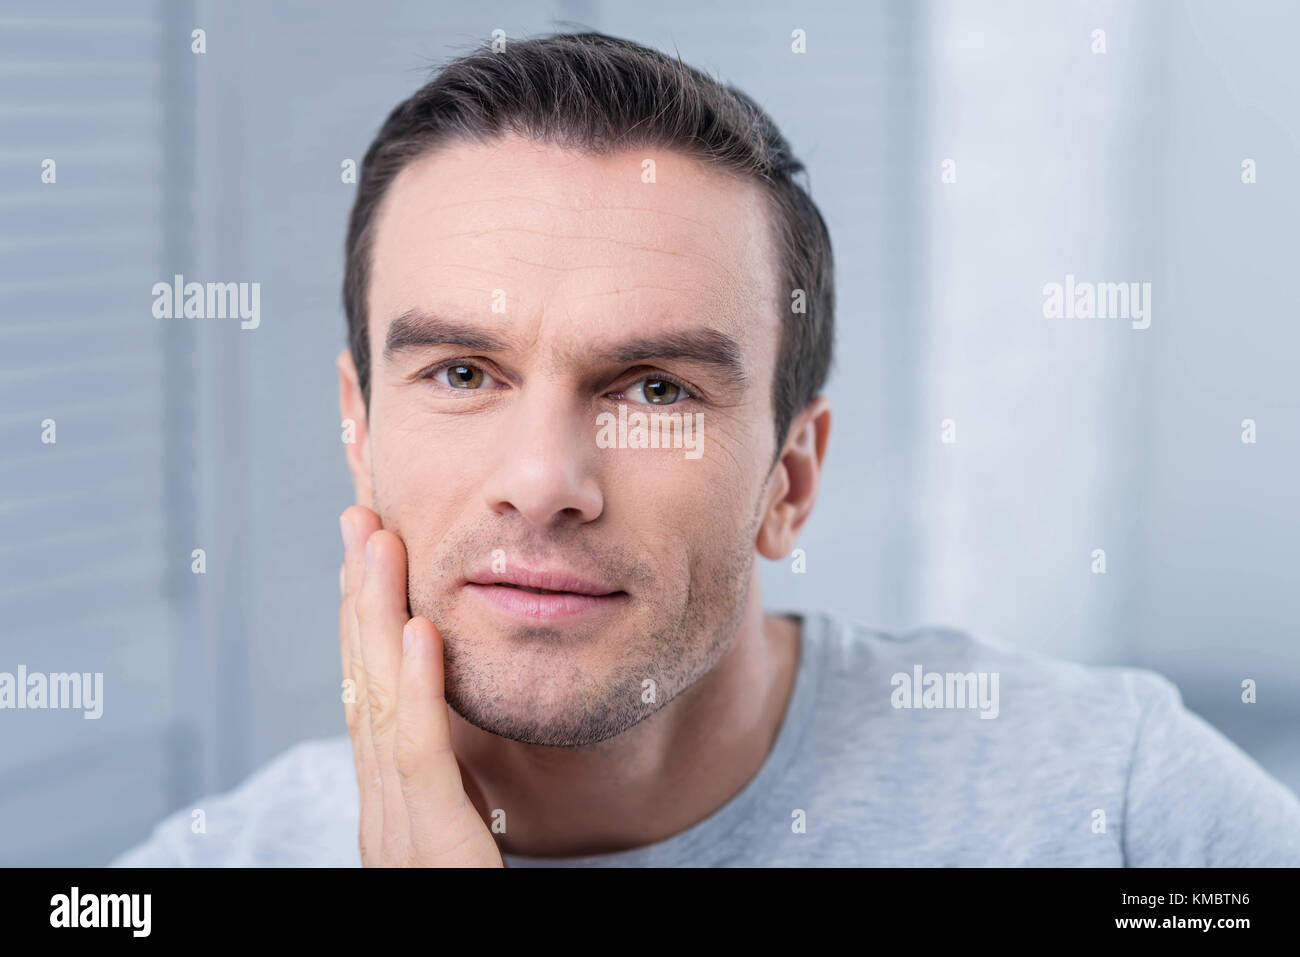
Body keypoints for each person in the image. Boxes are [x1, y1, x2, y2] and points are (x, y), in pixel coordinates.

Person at [112, 31, 1300, 867]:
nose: (542, 482)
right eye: (463, 374)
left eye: (654, 386)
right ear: (360, 429)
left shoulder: (1116, 801)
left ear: (789, 481)